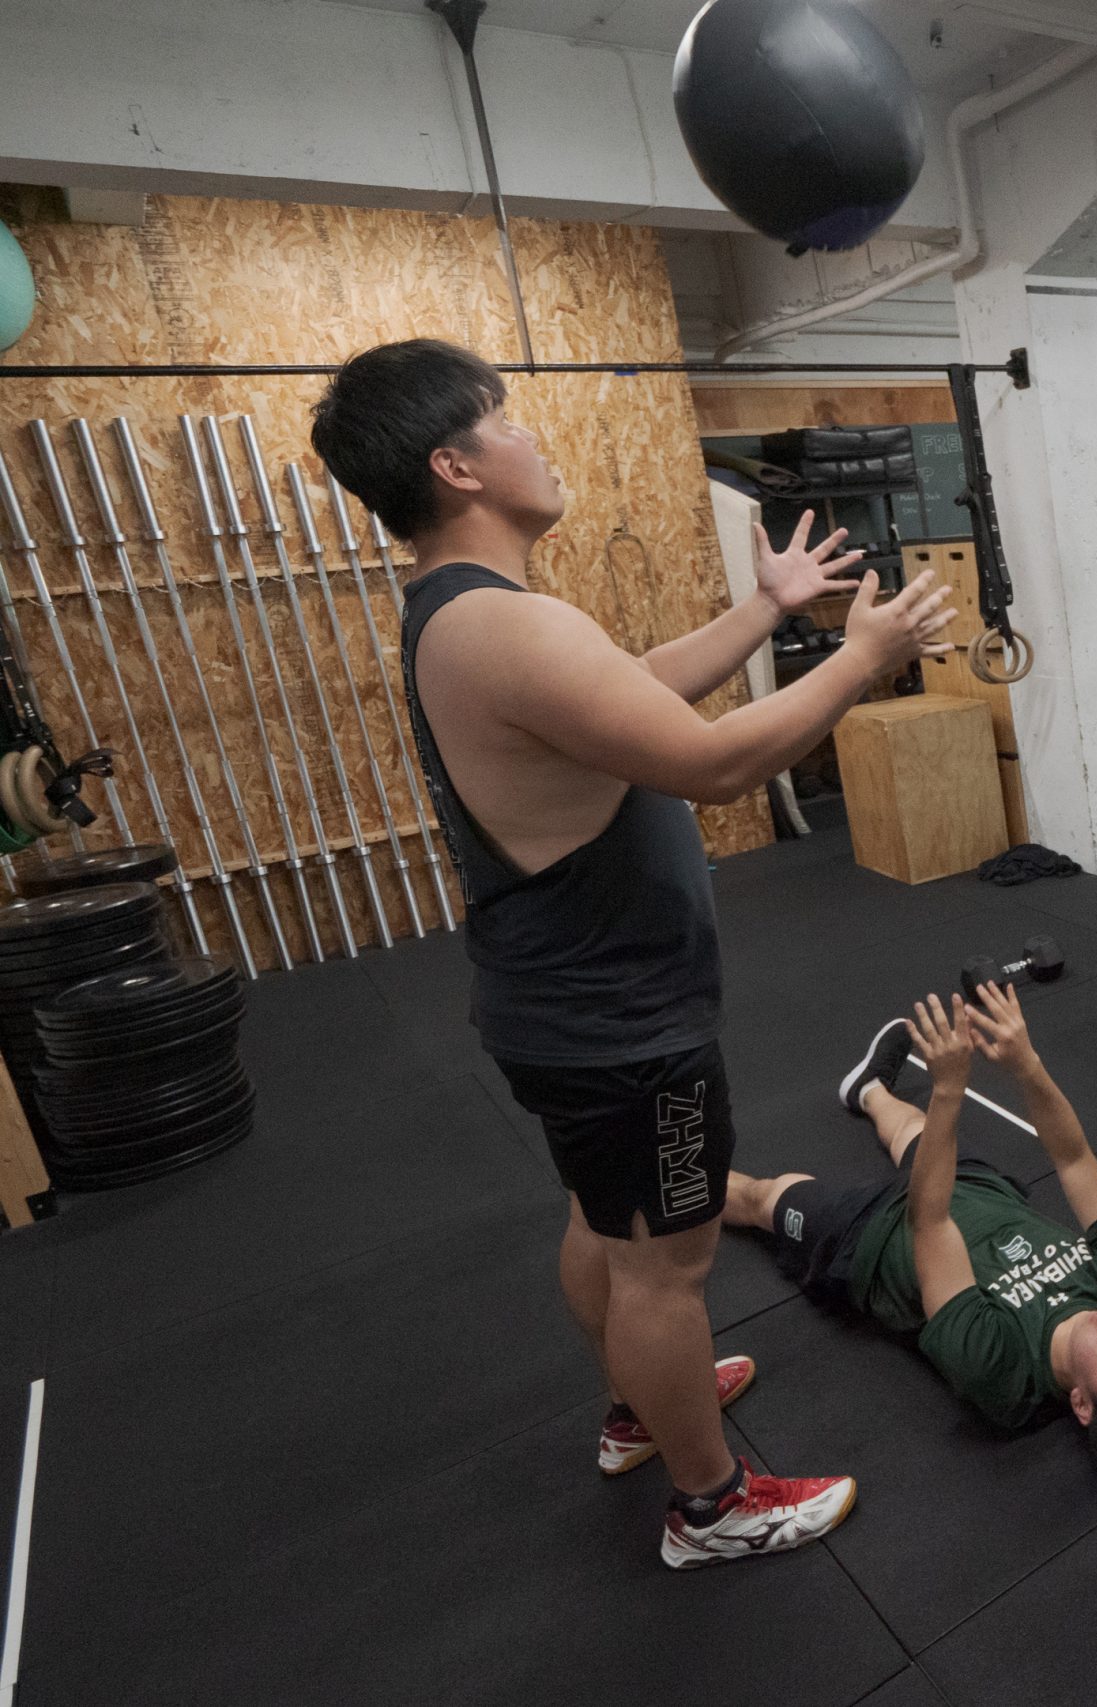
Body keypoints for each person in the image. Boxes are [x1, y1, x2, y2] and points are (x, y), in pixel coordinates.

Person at [311, 339, 957, 1569]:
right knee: (668, 1265)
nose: (533, 440)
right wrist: (861, 660)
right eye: (507, 421)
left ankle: (636, 1408)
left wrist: (766, 610)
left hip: (569, 1013)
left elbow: (634, 693)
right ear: (456, 466)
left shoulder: (471, 614)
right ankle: (711, 1506)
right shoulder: (500, 623)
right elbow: (713, 763)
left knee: (609, 1225)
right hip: (624, 1031)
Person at [726, 982, 1097, 1500]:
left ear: (1081, 1404)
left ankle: (673, 1188)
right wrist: (1027, 1064)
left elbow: (930, 1222)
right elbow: (1074, 1160)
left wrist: (949, 1091)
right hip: (978, 1189)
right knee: (913, 1130)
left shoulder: (1004, 1373)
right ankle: (868, 1090)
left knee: (767, 1195)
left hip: (870, 1237)